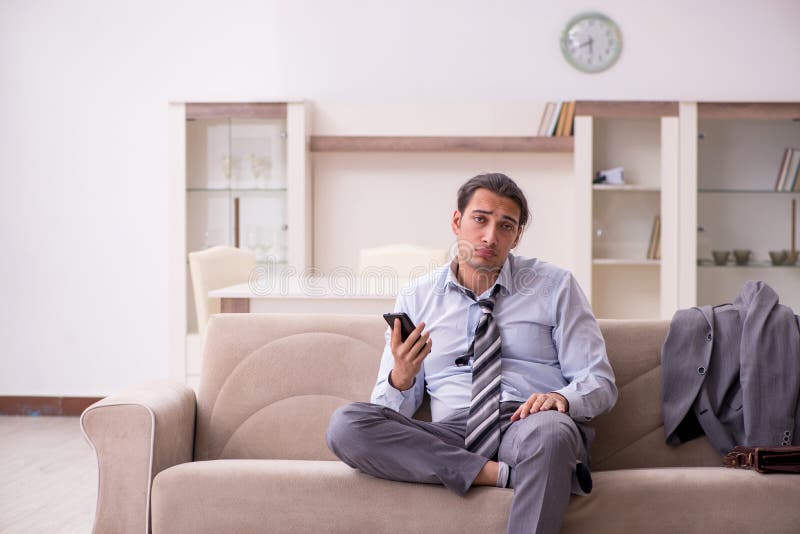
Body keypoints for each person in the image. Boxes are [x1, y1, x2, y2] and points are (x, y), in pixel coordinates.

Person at [326, 173, 617, 534]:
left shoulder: (555, 286)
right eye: (480, 219)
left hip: (527, 423)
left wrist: (560, 397)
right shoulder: (417, 297)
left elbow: (599, 382)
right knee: (347, 425)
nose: (490, 236)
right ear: (456, 222)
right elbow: (388, 412)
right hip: (451, 430)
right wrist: (401, 376)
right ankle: (500, 475)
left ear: (517, 236)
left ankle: (535, 465)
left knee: (554, 434)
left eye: (505, 225)